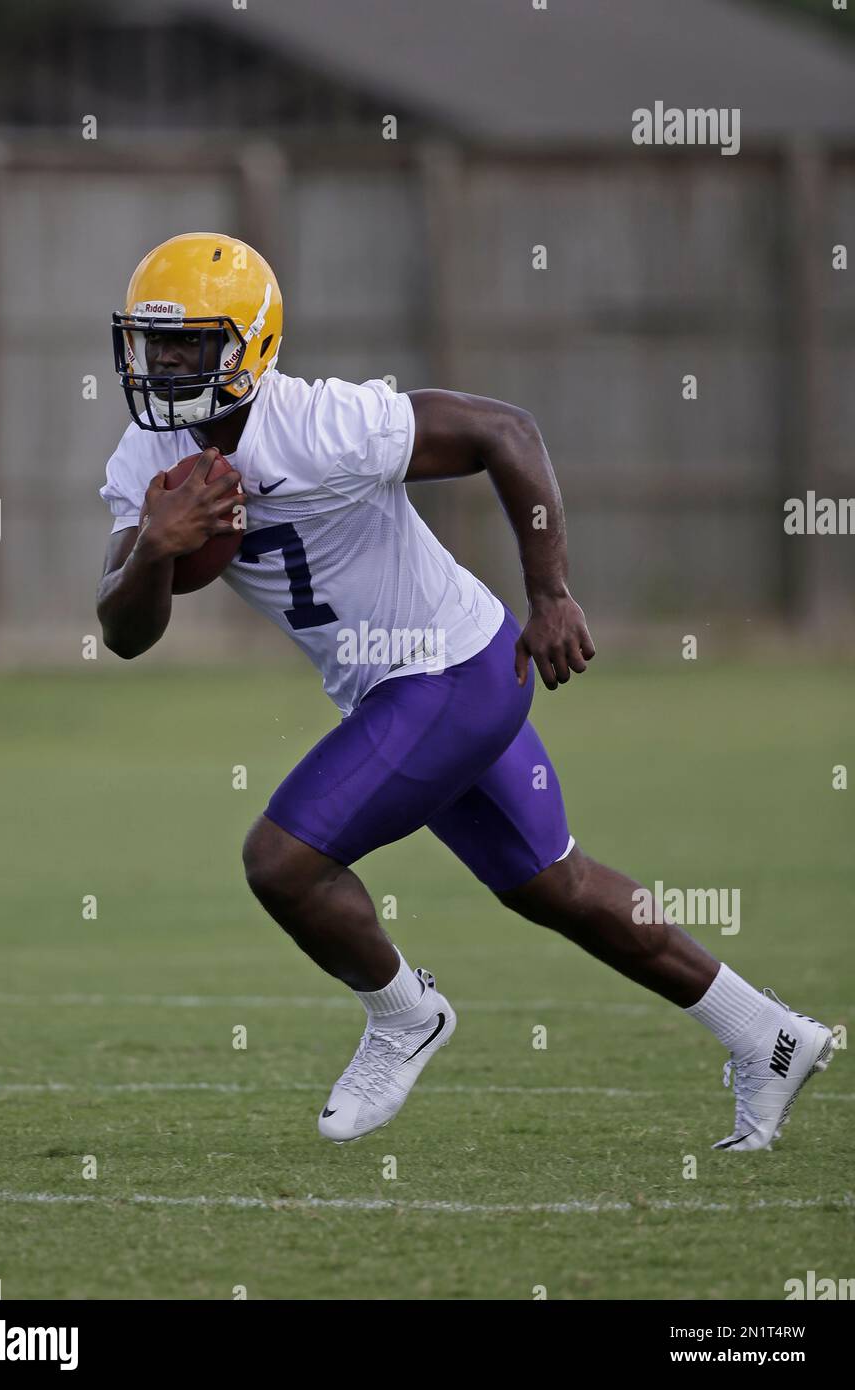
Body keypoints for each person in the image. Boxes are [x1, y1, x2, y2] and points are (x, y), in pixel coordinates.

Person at [98, 232, 833, 1149]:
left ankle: (406, 1015)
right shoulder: (148, 455)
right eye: (152, 342)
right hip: (400, 691)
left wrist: (553, 592)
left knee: (281, 862)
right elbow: (123, 631)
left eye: (188, 343)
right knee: (556, 886)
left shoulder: (326, 424)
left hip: (456, 670)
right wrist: (155, 549)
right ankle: (766, 1034)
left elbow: (506, 431)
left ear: (248, 345)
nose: (165, 364)